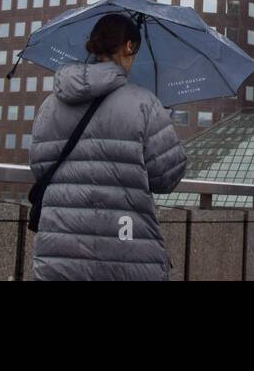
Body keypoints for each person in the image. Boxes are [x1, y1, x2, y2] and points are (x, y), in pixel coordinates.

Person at [29, 14, 187, 280]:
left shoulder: (50, 104)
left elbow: (40, 166)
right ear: (129, 47)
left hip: (60, 257)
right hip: (125, 258)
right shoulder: (144, 103)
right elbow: (166, 177)